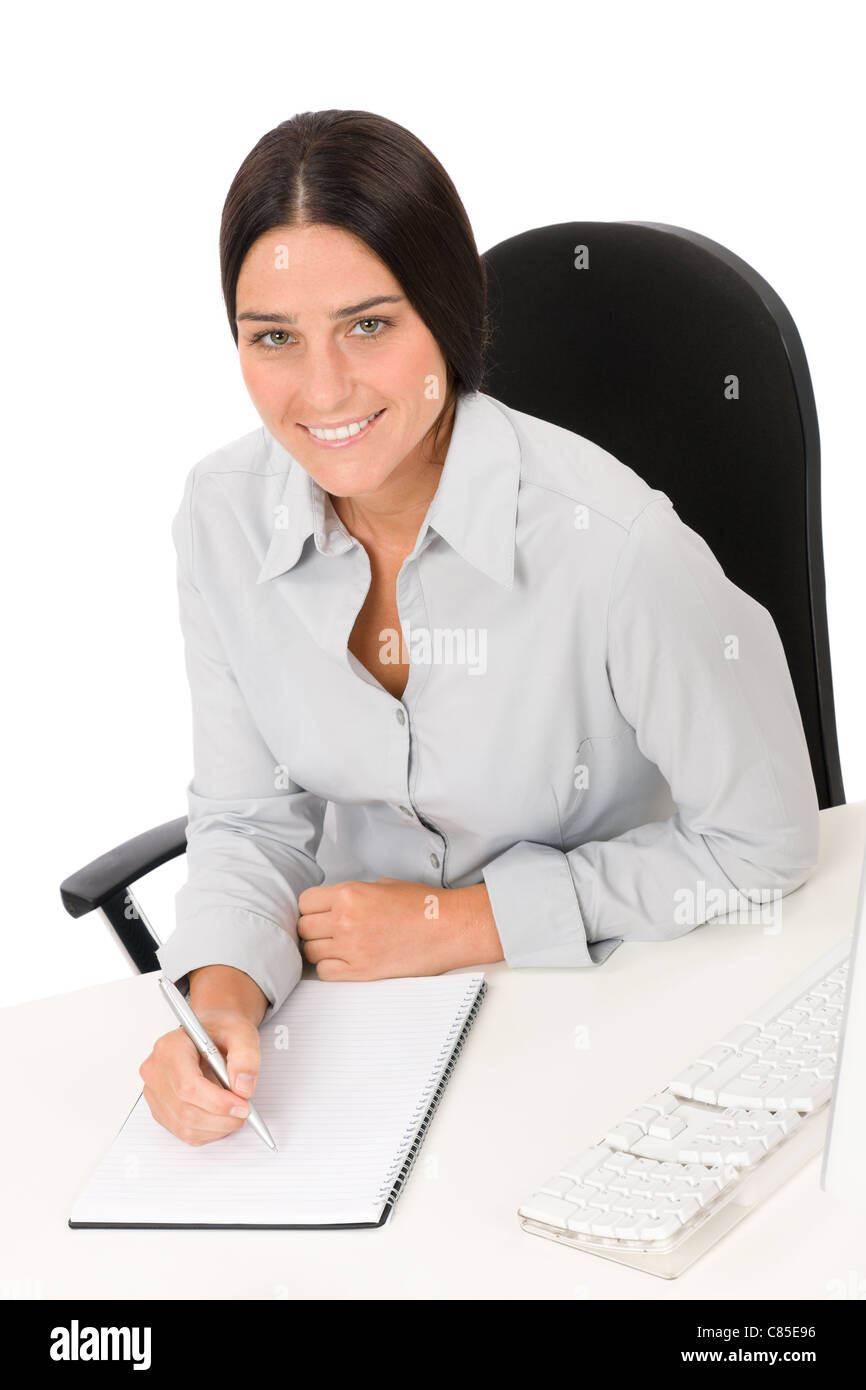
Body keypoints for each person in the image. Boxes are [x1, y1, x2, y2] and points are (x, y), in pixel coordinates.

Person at [139, 109, 820, 1146]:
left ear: (445, 320)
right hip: (368, 1029)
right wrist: (221, 994)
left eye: (368, 325)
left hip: (613, 1000)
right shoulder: (221, 519)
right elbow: (249, 821)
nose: (320, 391)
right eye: (273, 337)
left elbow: (761, 845)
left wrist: (463, 921)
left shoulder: (612, 546)